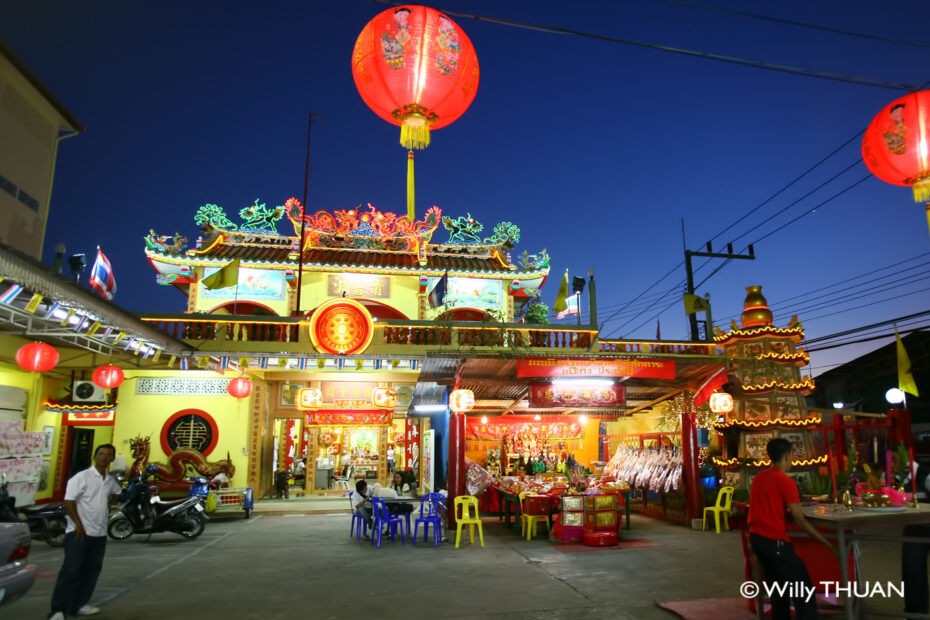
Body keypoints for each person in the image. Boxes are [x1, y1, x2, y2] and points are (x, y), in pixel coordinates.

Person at [748, 438, 836, 620]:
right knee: (803, 593)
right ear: (787, 456)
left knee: (779, 593)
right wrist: (827, 542)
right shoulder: (785, 481)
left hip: (757, 540)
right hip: (775, 542)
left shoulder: (758, 478)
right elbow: (799, 519)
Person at [49, 444, 121, 620]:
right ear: (95, 456)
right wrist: (78, 524)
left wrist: (108, 504)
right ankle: (58, 610)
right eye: (101, 454)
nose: (104, 457)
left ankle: (79, 605)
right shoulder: (82, 477)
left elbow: (117, 493)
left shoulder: (110, 481)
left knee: (92, 570)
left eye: (108, 455)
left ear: (112, 459)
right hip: (78, 533)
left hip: (100, 533)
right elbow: (69, 501)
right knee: (71, 570)